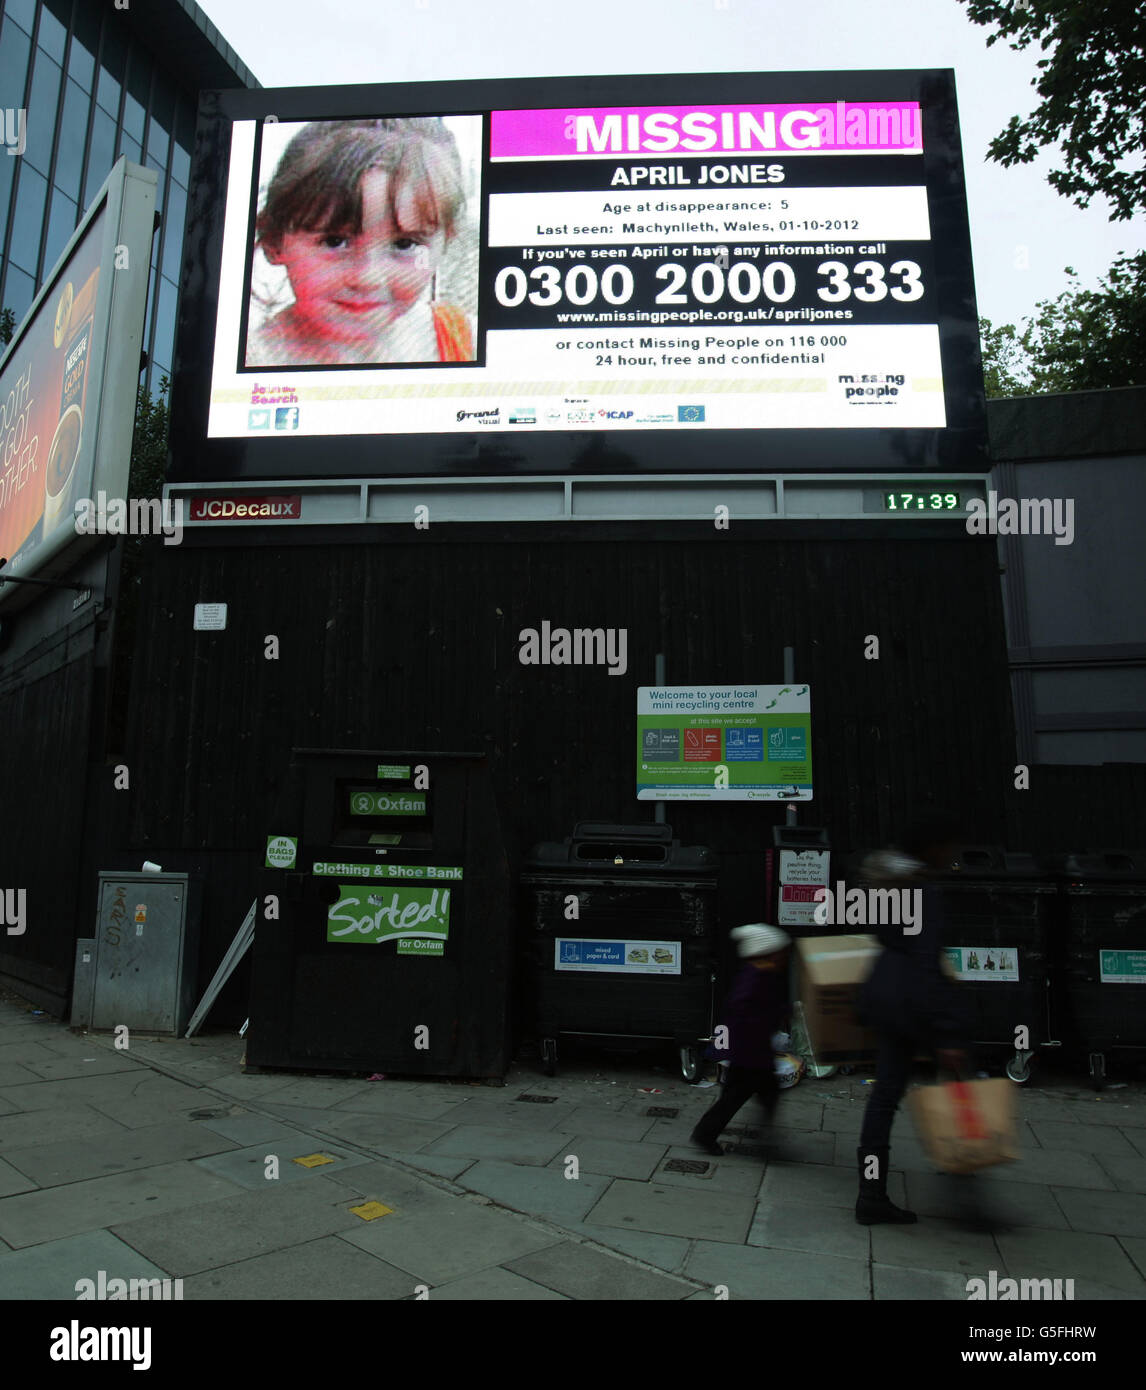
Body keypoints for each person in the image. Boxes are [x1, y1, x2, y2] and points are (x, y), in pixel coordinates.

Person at [246, 118, 474, 367]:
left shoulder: (464, 341)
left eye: (404, 244)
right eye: (335, 242)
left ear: (445, 244)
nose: (367, 278)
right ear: (273, 241)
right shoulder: (254, 361)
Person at [853, 810, 971, 1224]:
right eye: (948, 846)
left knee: (884, 1096)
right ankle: (967, 1186)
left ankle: (871, 1192)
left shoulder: (884, 883)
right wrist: (947, 1032)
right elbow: (925, 960)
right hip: (912, 1000)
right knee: (958, 1088)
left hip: (883, 991)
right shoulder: (922, 890)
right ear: (932, 848)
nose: (952, 853)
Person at [691, 924, 791, 1156]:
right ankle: (706, 1135)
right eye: (781, 951)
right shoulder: (758, 974)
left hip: (751, 1050)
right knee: (738, 1096)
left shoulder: (760, 972)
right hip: (750, 1052)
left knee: (751, 1094)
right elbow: (746, 1009)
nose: (784, 956)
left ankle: (711, 1134)